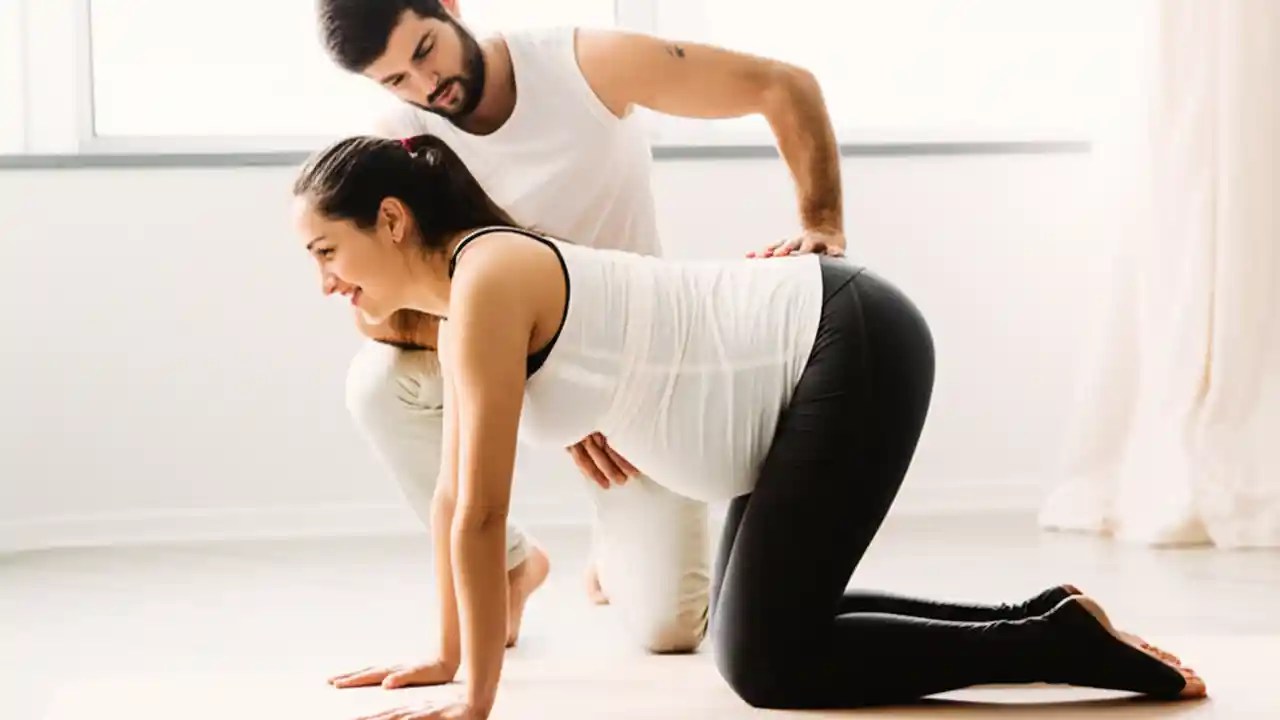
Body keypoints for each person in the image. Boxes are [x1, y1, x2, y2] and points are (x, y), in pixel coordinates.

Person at [291, 133, 1207, 719]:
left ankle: (1048, 646)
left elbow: (485, 513)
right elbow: (455, 497)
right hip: (804, 369)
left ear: (393, 218)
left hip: (841, 340)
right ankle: (1051, 624)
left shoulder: (487, 279)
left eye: (327, 252)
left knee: (769, 666)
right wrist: (449, 658)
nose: (326, 281)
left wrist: (477, 704)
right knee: (757, 636)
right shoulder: (466, 302)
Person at [314, 0, 848, 678]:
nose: (425, 87)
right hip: (532, 364)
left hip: (640, 371)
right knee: (379, 384)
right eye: (395, 80)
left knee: (672, 630)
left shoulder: (582, 64)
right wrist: (550, 374)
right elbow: (381, 311)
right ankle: (514, 567)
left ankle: (617, 547)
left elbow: (783, 84)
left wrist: (823, 221)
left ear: (448, 7)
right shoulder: (403, 134)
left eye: (424, 51)